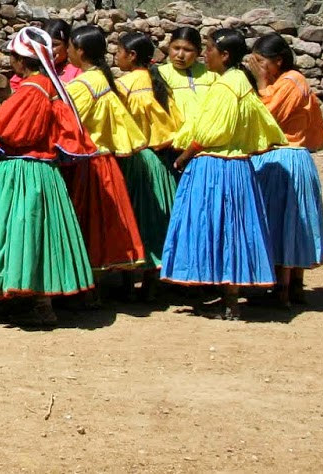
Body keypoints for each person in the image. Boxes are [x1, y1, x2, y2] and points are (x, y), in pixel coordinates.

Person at [0, 27, 96, 327]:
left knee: (17, 232)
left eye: (12, 57)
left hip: (22, 172)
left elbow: (6, 129)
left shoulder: (31, 91)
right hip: (43, 172)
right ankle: (37, 300)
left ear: (20, 61)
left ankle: (32, 300)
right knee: (39, 234)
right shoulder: (50, 87)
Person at [161, 28, 285, 319]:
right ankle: (227, 296)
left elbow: (212, 131)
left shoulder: (226, 86)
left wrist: (184, 155)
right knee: (233, 230)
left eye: (209, 48)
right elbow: (261, 124)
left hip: (214, 168)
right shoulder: (240, 83)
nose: (206, 54)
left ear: (225, 54)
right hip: (237, 168)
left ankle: (225, 298)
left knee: (212, 227)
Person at [248, 32, 323, 306]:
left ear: (278, 61)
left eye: (262, 62)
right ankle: (293, 285)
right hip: (292, 159)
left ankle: (283, 290)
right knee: (292, 221)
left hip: (285, 159)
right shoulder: (291, 82)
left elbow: (267, 115)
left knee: (283, 222)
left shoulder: (291, 83)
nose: (258, 67)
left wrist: (259, 82)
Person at [61, 26, 148, 282]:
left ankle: (87, 289)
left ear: (80, 51)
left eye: (69, 47)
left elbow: (67, 121)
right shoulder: (102, 80)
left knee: (88, 224)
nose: (66, 52)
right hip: (104, 160)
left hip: (88, 164)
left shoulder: (83, 85)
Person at [113, 32, 180, 297]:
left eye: (118, 51)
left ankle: (128, 285)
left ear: (131, 56)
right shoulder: (159, 83)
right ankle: (153, 284)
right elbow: (175, 123)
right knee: (156, 221)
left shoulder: (125, 85)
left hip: (136, 159)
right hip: (161, 161)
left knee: (133, 219)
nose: (115, 56)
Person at [156, 26, 215, 169]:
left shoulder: (210, 73)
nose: (180, 55)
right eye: (176, 48)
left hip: (206, 143)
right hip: (173, 146)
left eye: (188, 50)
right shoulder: (160, 74)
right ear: (168, 47)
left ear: (199, 52)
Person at [10, 18, 80, 93]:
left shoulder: (78, 72)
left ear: (67, 45)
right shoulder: (29, 70)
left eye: (54, 45)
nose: (48, 50)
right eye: (45, 45)